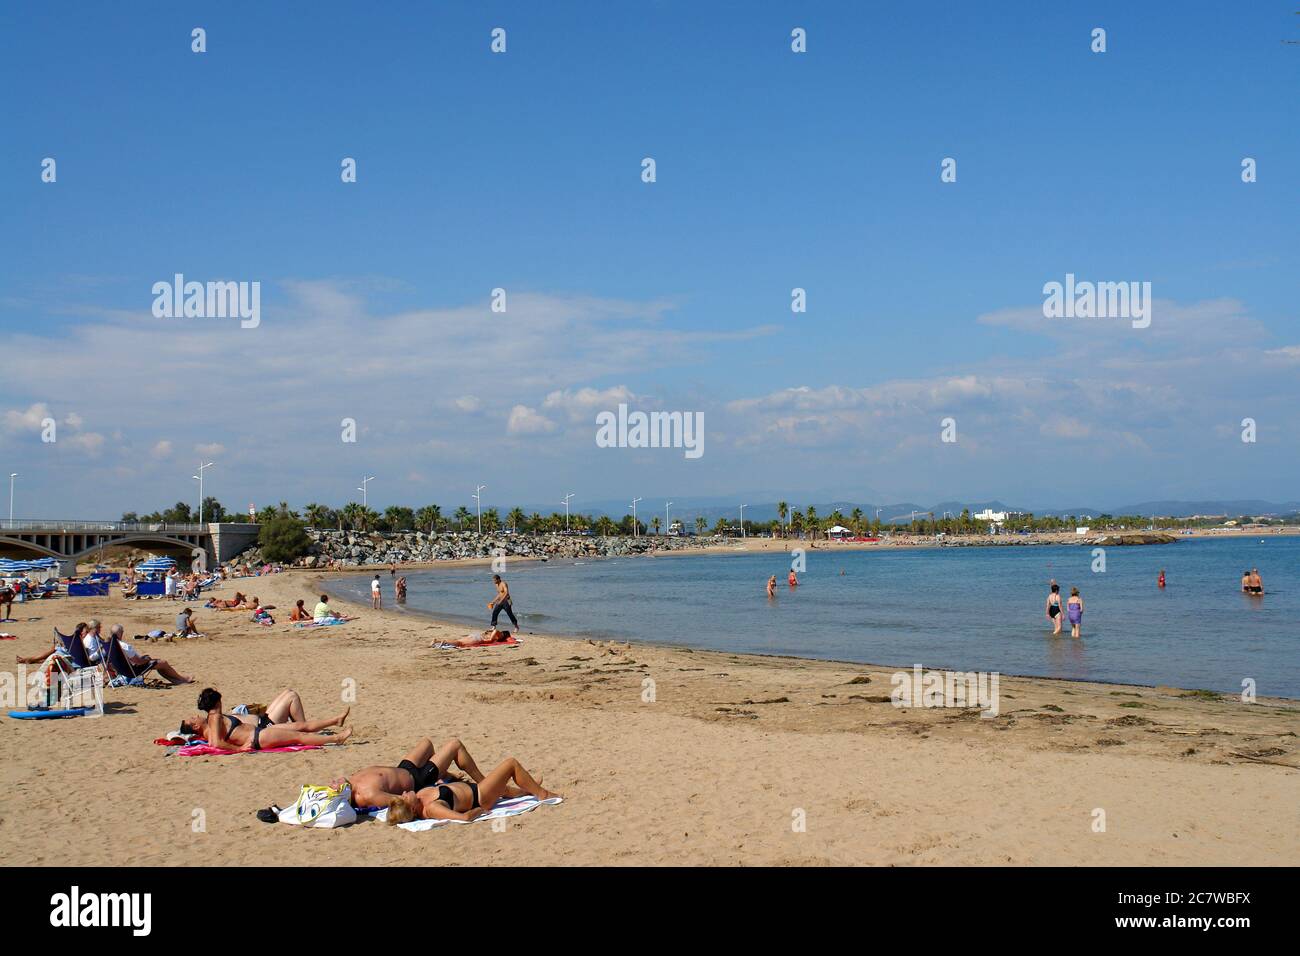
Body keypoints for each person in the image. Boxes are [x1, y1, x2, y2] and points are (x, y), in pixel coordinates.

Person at [386, 753, 556, 825]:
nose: (404, 793)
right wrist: (479, 810)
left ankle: (529, 789)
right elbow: (464, 818)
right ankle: (543, 794)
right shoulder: (432, 808)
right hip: (481, 796)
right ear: (413, 809)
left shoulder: (419, 796)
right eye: (404, 797)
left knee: (506, 790)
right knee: (510, 764)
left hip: (475, 789)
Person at [342, 737, 501, 809]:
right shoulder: (368, 795)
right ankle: (484, 782)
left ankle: (443, 774)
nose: (333, 782)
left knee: (426, 743)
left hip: (404, 769)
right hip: (418, 779)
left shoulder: (353, 781)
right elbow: (403, 800)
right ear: (342, 793)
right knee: (455, 745)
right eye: (334, 786)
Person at [196, 687, 351, 751]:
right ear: (218, 702)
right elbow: (214, 743)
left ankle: (335, 721)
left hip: (260, 732)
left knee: (299, 727)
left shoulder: (214, 717)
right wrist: (239, 749)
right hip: (258, 736)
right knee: (299, 735)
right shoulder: (215, 717)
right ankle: (336, 738)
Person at [180, 688, 346, 736]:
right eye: (192, 719)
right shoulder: (212, 722)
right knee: (292, 696)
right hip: (265, 726)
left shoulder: (212, 717)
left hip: (263, 720)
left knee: (288, 692)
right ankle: (304, 727)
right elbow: (217, 742)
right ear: (195, 726)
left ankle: (303, 726)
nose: (195, 716)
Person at [108, 625, 192, 684]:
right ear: (120, 633)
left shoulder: (111, 645)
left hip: (123, 670)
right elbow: (138, 662)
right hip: (133, 671)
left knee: (158, 663)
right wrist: (146, 659)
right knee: (163, 662)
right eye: (122, 632)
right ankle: (182, 679)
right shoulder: (124, 646)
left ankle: (175, 680)